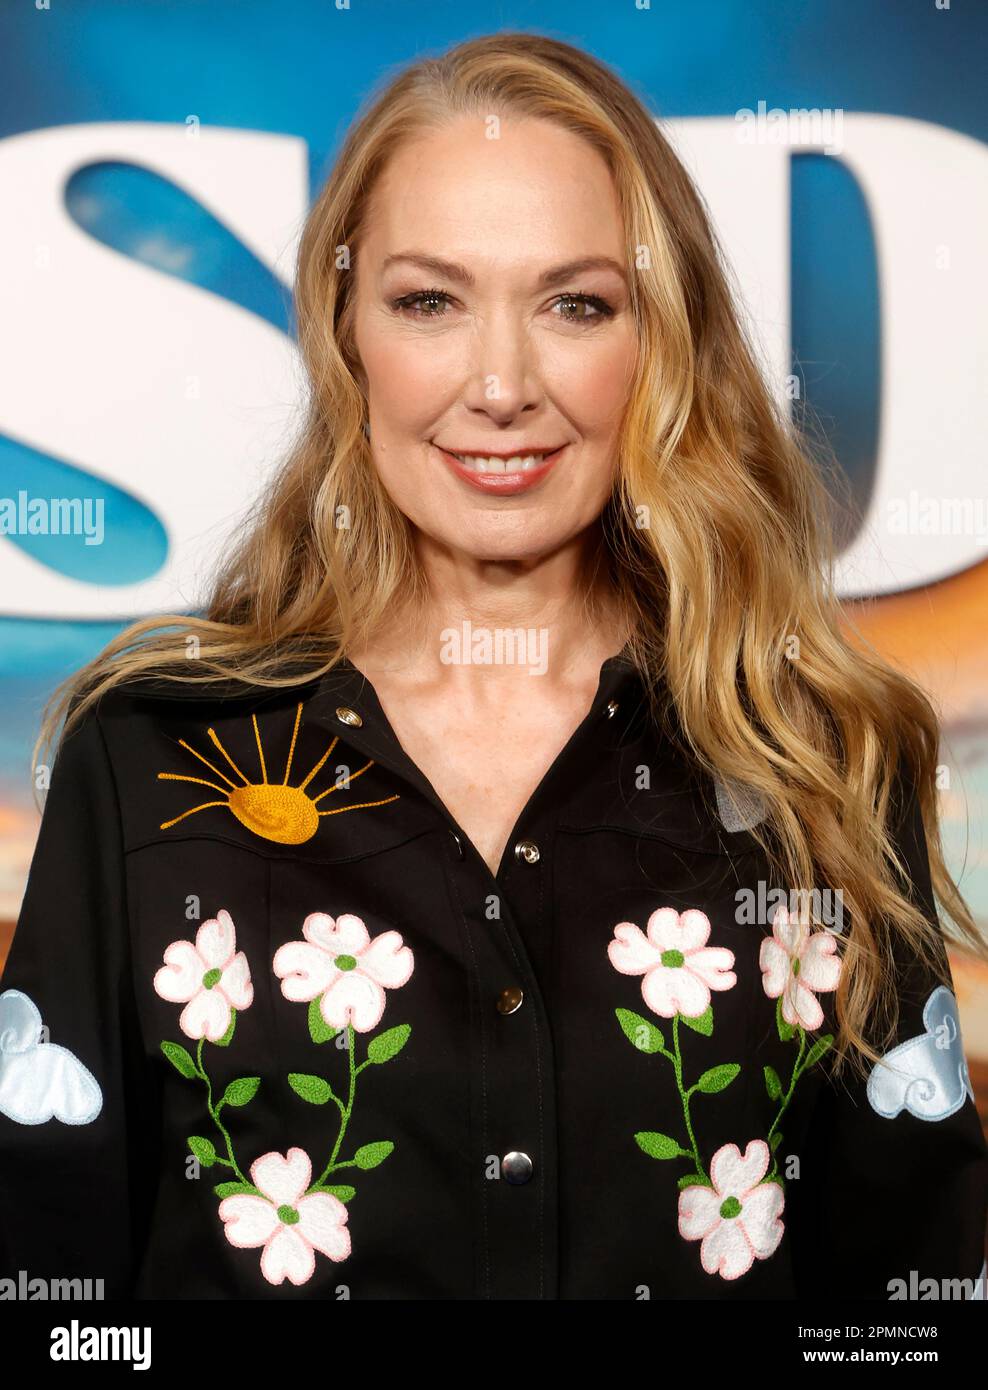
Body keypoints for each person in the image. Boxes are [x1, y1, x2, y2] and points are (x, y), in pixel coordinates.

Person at [1, 32, 986, 1301]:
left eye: (576, 302)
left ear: (659, 339)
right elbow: (55, 1312)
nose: (502, 384)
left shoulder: (817, 757)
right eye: (429, 301)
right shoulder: (147, 760)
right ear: (346, 331)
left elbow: (909, 1315)